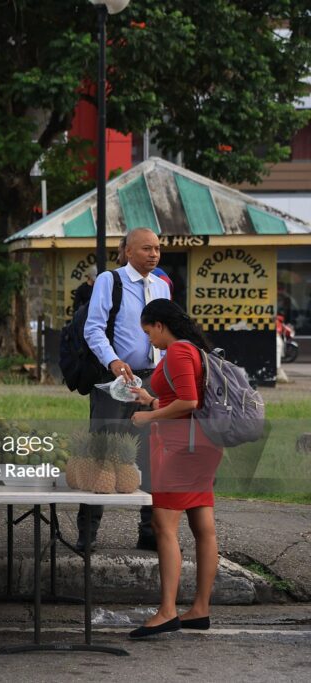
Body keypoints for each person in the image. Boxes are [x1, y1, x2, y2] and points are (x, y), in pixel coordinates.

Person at [127, 299, 223, 638]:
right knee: (203, 526)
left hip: (182, 449)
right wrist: (151, 399)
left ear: (160, 324)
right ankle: (200, 609)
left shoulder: (179, 351)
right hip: (201, 445)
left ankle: (167, 611)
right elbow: (182, 398)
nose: (149, 339)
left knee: (163, 524)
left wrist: (149, 416)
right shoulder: (192, 350)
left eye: (148, 331)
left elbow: (189, 401)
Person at [79, 227, 170, 552]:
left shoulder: (161, 286)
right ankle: (87, 535)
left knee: (151, 456)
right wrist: (113, 361)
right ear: (128, 251)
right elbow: (93, 328)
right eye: (146, 248)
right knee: (103, 455)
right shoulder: (110, 281)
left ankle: (149, 531)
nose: (154, 254)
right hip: (114, 382)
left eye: (157, 248)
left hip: (152, 381)